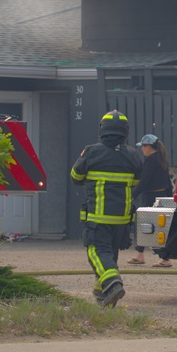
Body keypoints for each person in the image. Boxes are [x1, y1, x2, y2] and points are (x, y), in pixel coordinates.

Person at [70, 110, 141, 307]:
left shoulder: (92, 152)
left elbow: (75, 177)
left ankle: (112, 283)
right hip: (121, 220)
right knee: (110, 256)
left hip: (98, 217)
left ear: (102, 130)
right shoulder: (133, 156)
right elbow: (136, 181)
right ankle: (104, 295)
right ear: (125, 132)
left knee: (96, 252)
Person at [128, 134, 174, 267]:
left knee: (146, 225)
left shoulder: (150, 161)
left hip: (150, 198)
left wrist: (133, 194)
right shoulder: (161, 159)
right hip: (161, 197)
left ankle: (163, 258)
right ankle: (140, 254)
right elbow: (168, 182)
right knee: (155, 226)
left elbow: (144, 180)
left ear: (148, 147)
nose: (142, 150)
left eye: (143, 147)